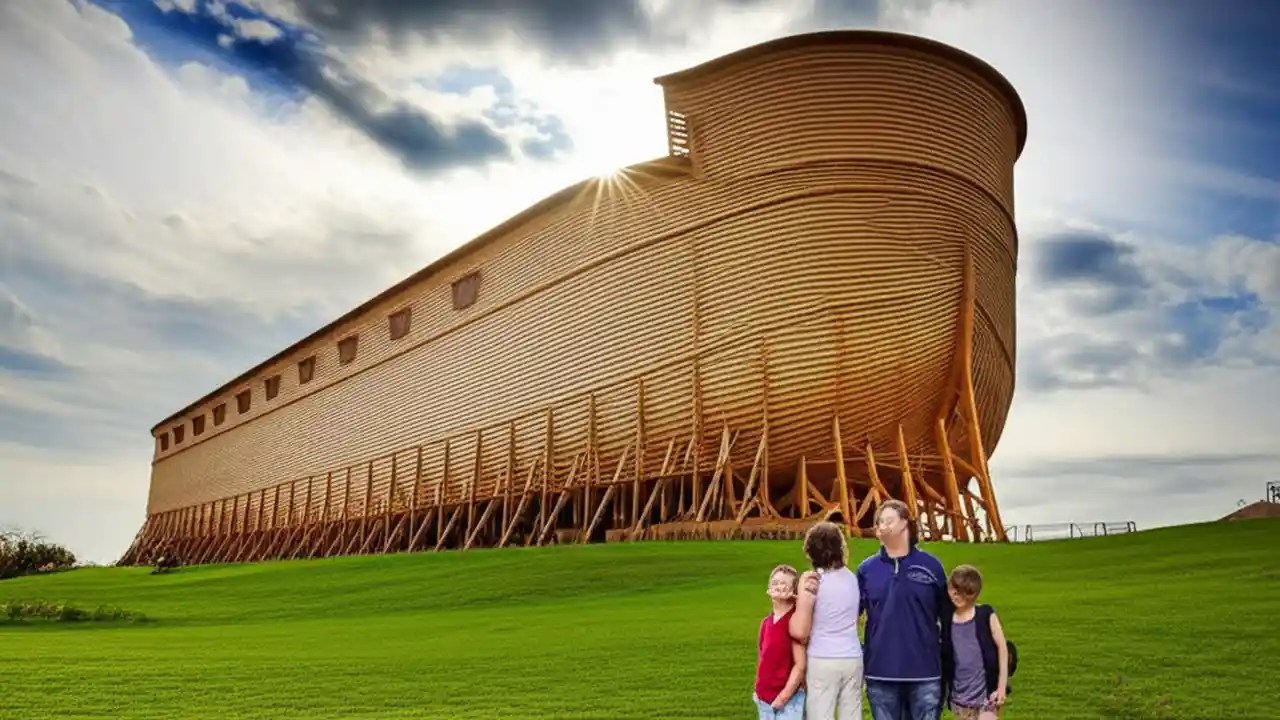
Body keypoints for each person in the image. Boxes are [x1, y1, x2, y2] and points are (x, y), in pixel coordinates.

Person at [857, 499, 950, 720]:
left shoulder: (931, 567)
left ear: (906, 523)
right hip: (880, 672)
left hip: (925, 672)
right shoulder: (866, 570)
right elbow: (847, 615)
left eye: (889, 520)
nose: (882, 526)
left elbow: (948, 618)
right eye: (879, 522)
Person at [791, 521, 863, 719]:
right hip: (852, 657)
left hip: (823, 657)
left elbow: (800, 631)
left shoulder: (813, 582)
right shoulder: (852, 578)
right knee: (852, 713)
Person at [941, 565, 1009, 720]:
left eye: (963, 593)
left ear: (974, 594)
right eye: (954, 590)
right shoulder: (947, 619)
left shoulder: (985, 614)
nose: (957, 596)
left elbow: (1002, 647)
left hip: (988, 696)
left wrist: (1001, 687)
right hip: (960, 699)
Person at [753, 564, 807, 719]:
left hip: (789, 699)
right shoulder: (766, 623)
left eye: (784, 583)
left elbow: (800, 665)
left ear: (793, 591)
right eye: (775, 582)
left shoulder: (794, 622)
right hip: (764, 698)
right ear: (768, 589)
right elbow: (763, 657)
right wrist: (758, 690)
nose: (778, 586)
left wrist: (784, 696)